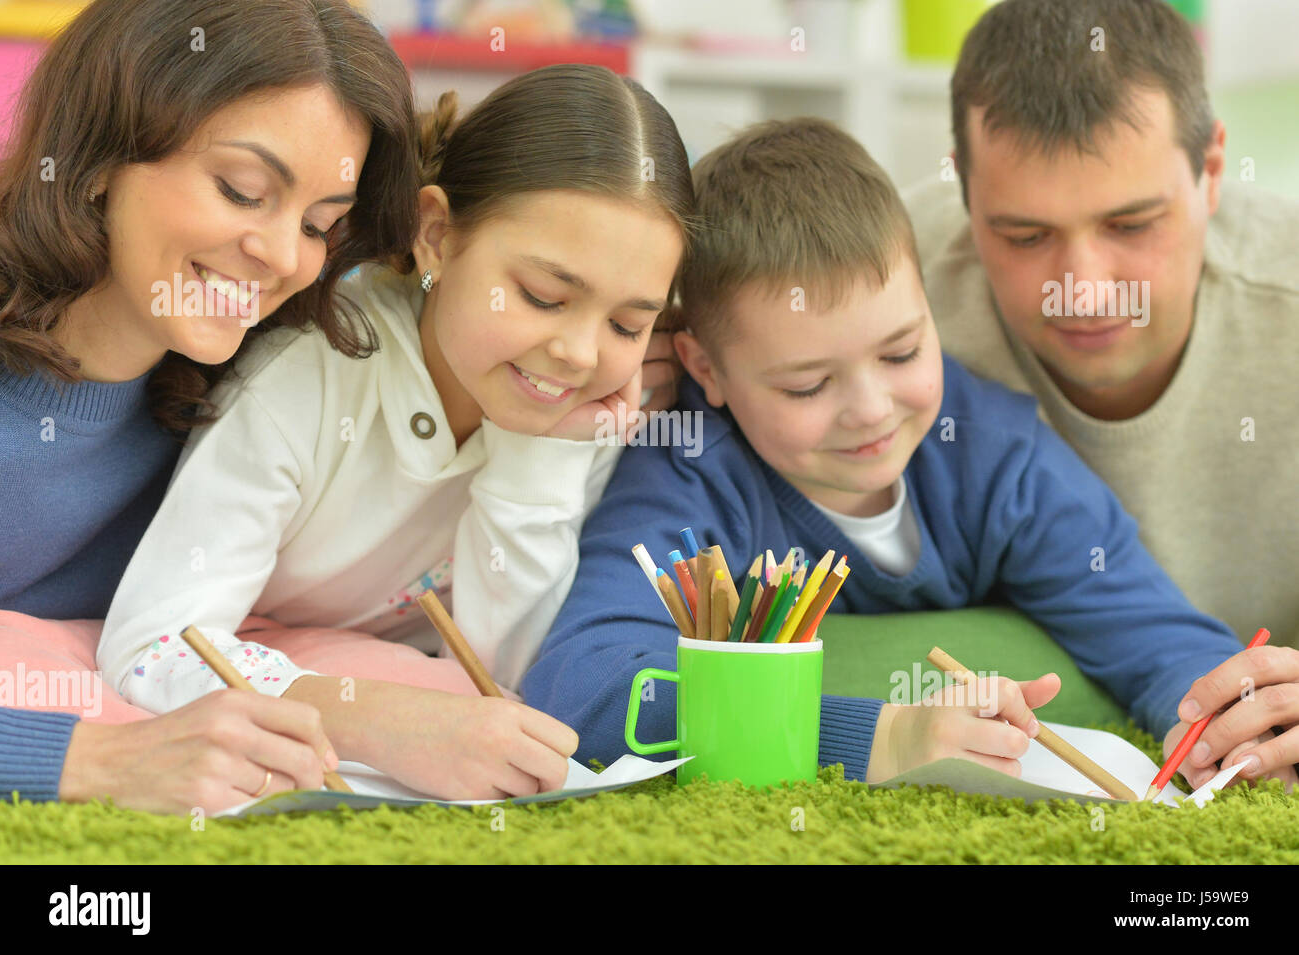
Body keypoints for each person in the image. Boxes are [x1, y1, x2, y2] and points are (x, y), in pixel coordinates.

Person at [521, 117, 1291, 790]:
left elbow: (1149, 630)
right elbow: (581, 683)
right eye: (808, 383)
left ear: (930, 306)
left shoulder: (996, 455)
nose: (871, 410)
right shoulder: (689, 463)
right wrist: (878, 736)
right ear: (706, 369)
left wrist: (1231, 710)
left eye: (902, 352)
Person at [97, 64, 697, 802]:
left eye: (627, 323)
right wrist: (374, 719)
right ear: (437, 234)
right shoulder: (309, 379)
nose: (578, 351)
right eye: (544, 295)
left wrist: (536, 456)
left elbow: (503, 676)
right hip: (289, 665)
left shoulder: (586, 409)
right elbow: (155, 642)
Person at [0, 0, 423, 812]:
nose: (282, 256)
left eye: (319, 225)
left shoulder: (242, 405)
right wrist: (89, 760)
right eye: (242, 189)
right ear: (95, 160)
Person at [902, 0, 1299, 788]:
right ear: (964, 189)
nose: (1082, 292)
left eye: (1131, 224)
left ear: (1212, 171)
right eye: (1024, 237)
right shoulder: (876, 300)